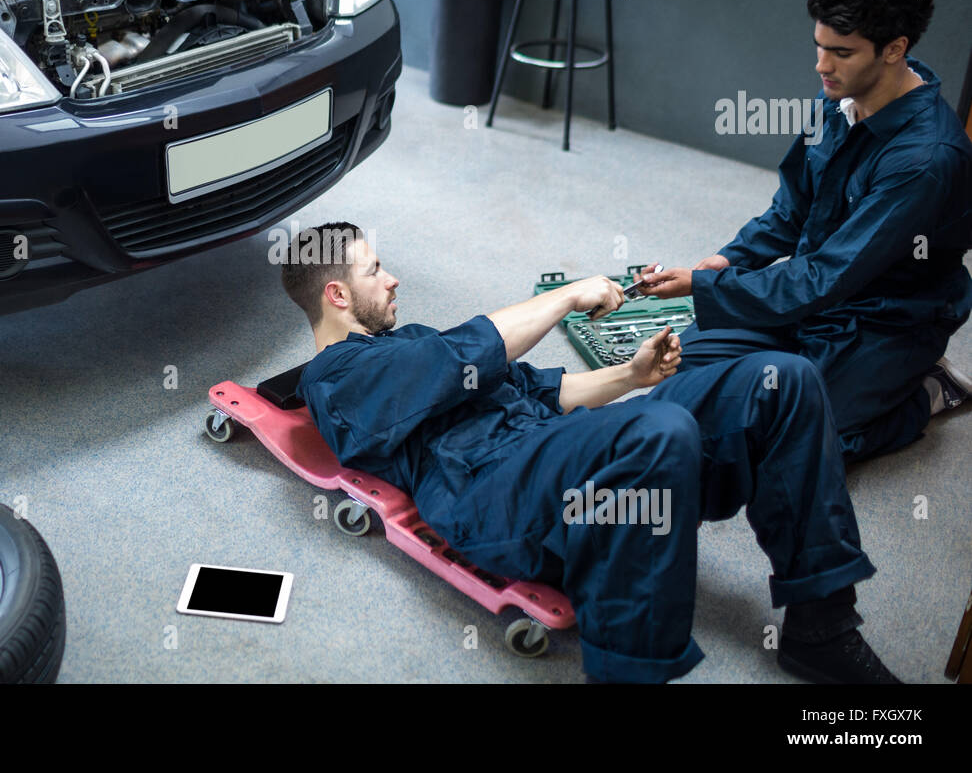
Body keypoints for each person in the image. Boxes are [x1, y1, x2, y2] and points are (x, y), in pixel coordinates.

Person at [281, 222, 898, 683]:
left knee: (780, 380)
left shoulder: (409, 339)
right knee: (660, 434)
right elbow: (462, 357)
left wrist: (631, 377)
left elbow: (541, 389)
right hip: (490, 496)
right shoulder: (335, 378)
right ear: (336, 295)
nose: (393, 279)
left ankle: (822, 625)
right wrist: (567, 295)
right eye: (375, 271)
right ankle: (627, 672)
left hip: (551, 453)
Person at [635, 0, 972, 463]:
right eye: (818, 47)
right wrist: (731, 261)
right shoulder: (837, 97)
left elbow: (829, 276)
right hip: (814, 290)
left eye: (840, 52)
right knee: (688, 376)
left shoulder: (926, 160)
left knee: (790, 443)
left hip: (884, 319)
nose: (821, 65)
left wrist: (709, 288)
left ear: (894, 49)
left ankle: (925, 390)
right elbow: (791, 210)